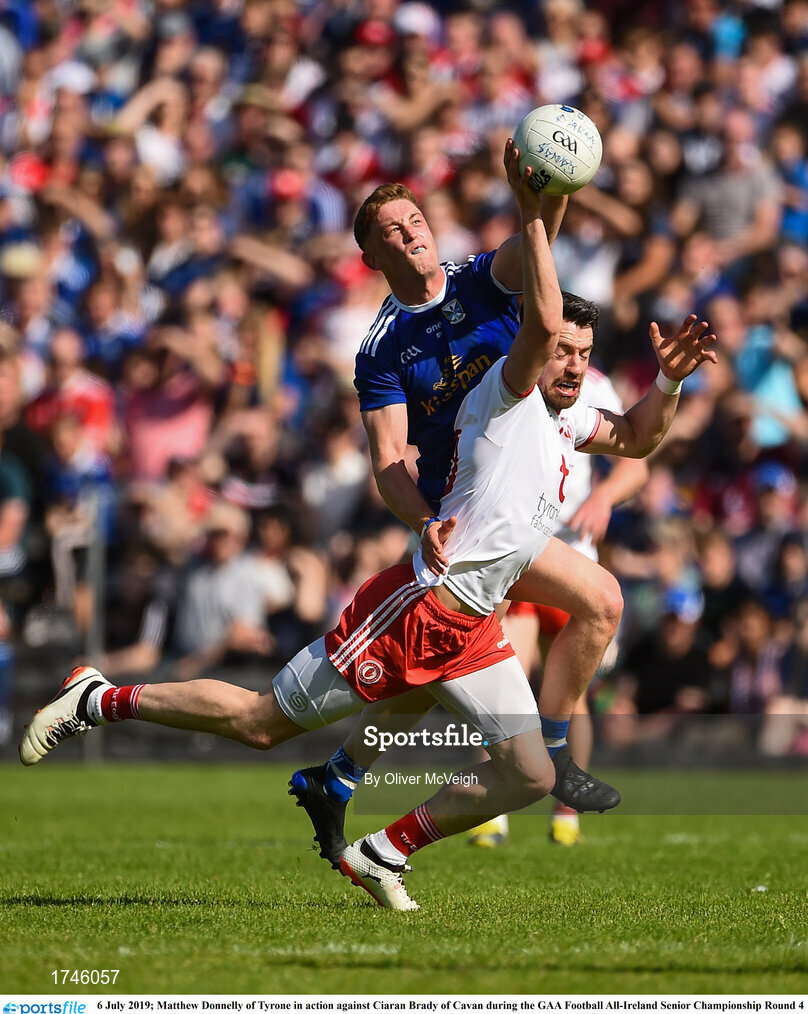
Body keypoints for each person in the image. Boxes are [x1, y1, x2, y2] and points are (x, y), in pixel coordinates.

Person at [19, 147, 717, 912]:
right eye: (394, 227)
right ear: (374, 252)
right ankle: (99, 697)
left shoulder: (548, 394)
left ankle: (382, 846)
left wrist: (672, 379)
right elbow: (436, 417)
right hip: (427, 599)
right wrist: (422, 521)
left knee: (532, 772)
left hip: (476, 612)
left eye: (418, 218)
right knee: (261, 723)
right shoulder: (483, 380)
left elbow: (638, 435)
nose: (413, 232)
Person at [498, 363, 648, 848]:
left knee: (568, 696)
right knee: (504, 678)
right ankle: (491, 807)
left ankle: (567, 809)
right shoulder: (514, 369)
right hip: (518, 552)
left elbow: (635, 462)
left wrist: (603, 496)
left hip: (570, 558)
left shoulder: (597, 384)